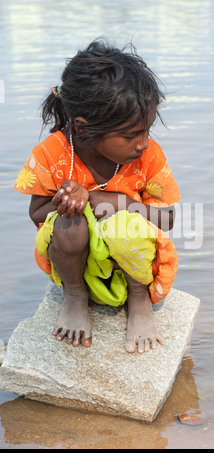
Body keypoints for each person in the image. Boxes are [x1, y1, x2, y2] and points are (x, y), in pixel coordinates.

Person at [14, 39, 181, 354]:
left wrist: (125, 204)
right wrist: (70, 202)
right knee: (69, 221)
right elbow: (36, 214)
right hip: (76, 264)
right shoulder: (53, 154)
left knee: (124, 226)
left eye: (147, 131)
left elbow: (168, 220)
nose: (143, 144)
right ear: (83, 127)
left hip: (133, 266)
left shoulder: (147, 157)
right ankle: (75, 298)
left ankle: (139, 299)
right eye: (132, 135)